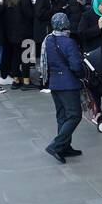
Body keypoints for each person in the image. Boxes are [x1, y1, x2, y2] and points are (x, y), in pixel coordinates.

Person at [41, 13, 85, 163]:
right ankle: (56, 145)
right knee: (74, 115)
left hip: (54, 82)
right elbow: (76, 66)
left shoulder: (48, 40)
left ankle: (65, 147)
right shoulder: (69, 42)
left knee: (62, 116)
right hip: (68, 84)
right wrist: (82, 75)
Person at [3, 0, 35, 89]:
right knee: (25, 57)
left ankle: (16, 80)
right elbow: (29, 14)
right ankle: (26, 81)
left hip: (12, 34)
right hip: (25, 32)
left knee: (15, 56)